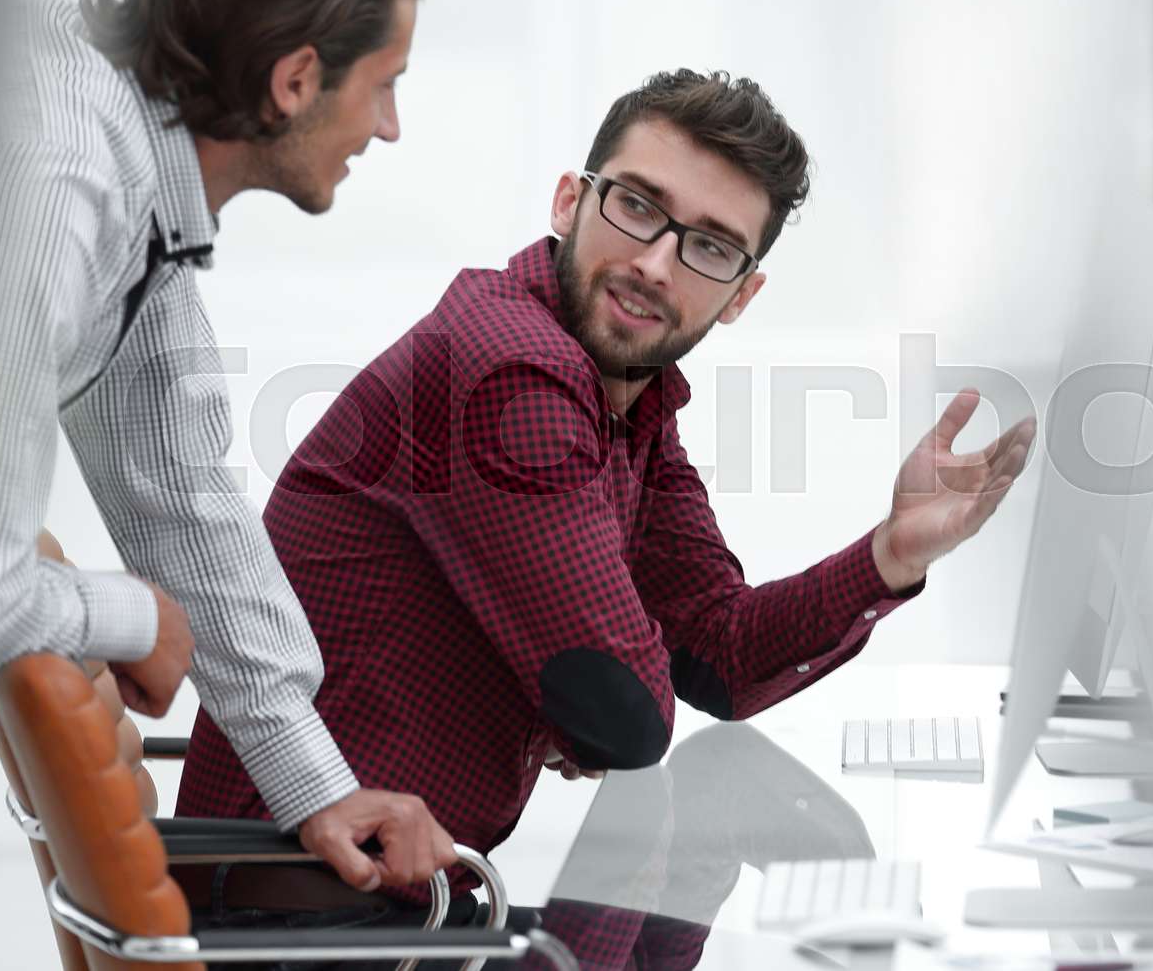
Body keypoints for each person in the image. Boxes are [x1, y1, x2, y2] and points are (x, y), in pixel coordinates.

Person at [177, 70, 1034, 910]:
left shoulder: (635, 402)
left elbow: (720, 654)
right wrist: (582, 700)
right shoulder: (511, 370)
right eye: (636, 205)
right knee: (680, 827)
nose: (657, 264)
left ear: (741, 295)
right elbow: (627, 713)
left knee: (699, 827)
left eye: (708, 245)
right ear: (567, 203)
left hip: (408, 900)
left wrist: (887, 555)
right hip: (300, 912)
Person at [0, 0, 456, 893]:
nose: (389, 127)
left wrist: (316, 786)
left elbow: (181, 486)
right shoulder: (58, 181)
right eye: (383, 83)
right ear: (298, 78)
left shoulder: (126, 156)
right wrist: (131, 615)